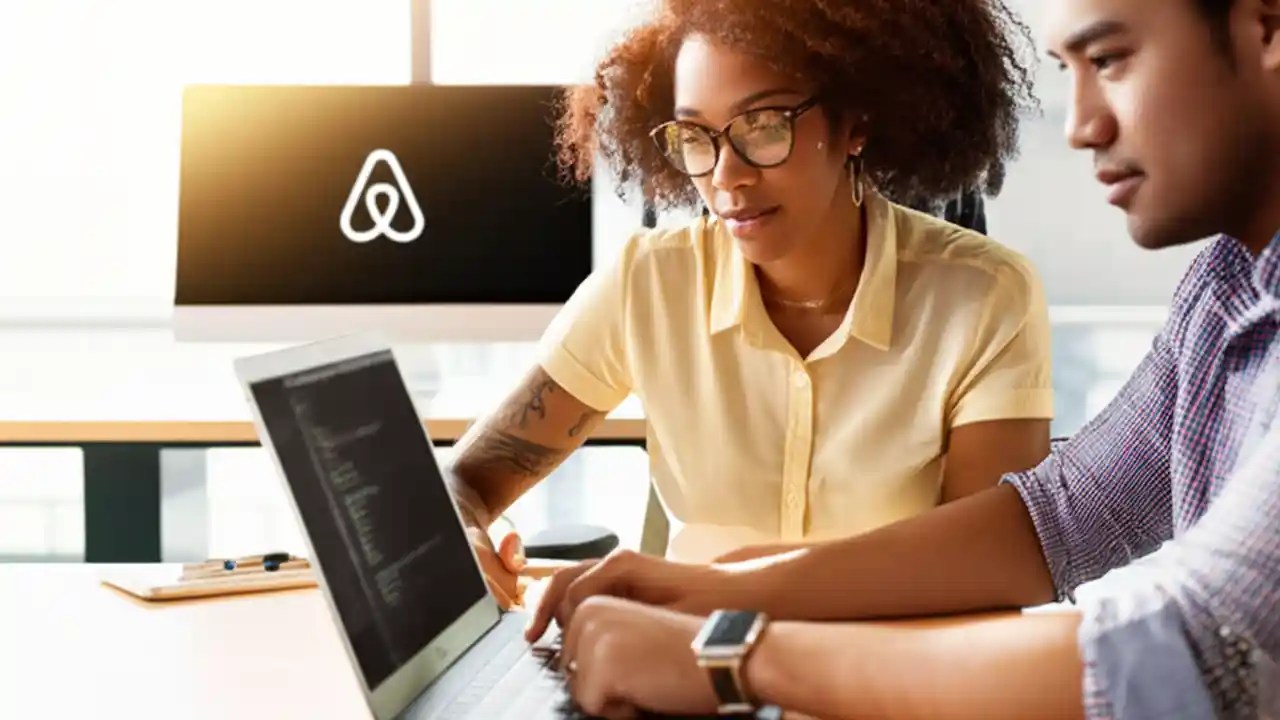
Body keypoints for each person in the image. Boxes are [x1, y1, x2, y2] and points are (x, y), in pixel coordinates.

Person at [526, 0, 1280, 717]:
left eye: (1111, 59)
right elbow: (1059, 515)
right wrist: (709, 589)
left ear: (1267, 28)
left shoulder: (988, 288)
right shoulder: (1222, 288)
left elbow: (1205, 653)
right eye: (1069, 71)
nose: (1081, 126)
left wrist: (728, 655)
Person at [447, 0, 1052, 607]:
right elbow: (465, 481)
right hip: (678, 660)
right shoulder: (648, 284)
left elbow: (987, 573)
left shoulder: (983, 297)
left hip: (890, 676)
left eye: (763, 126)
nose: (725, 176)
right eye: (694, 137)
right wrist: (465, 536)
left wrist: (719, 590)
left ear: (856, 123)